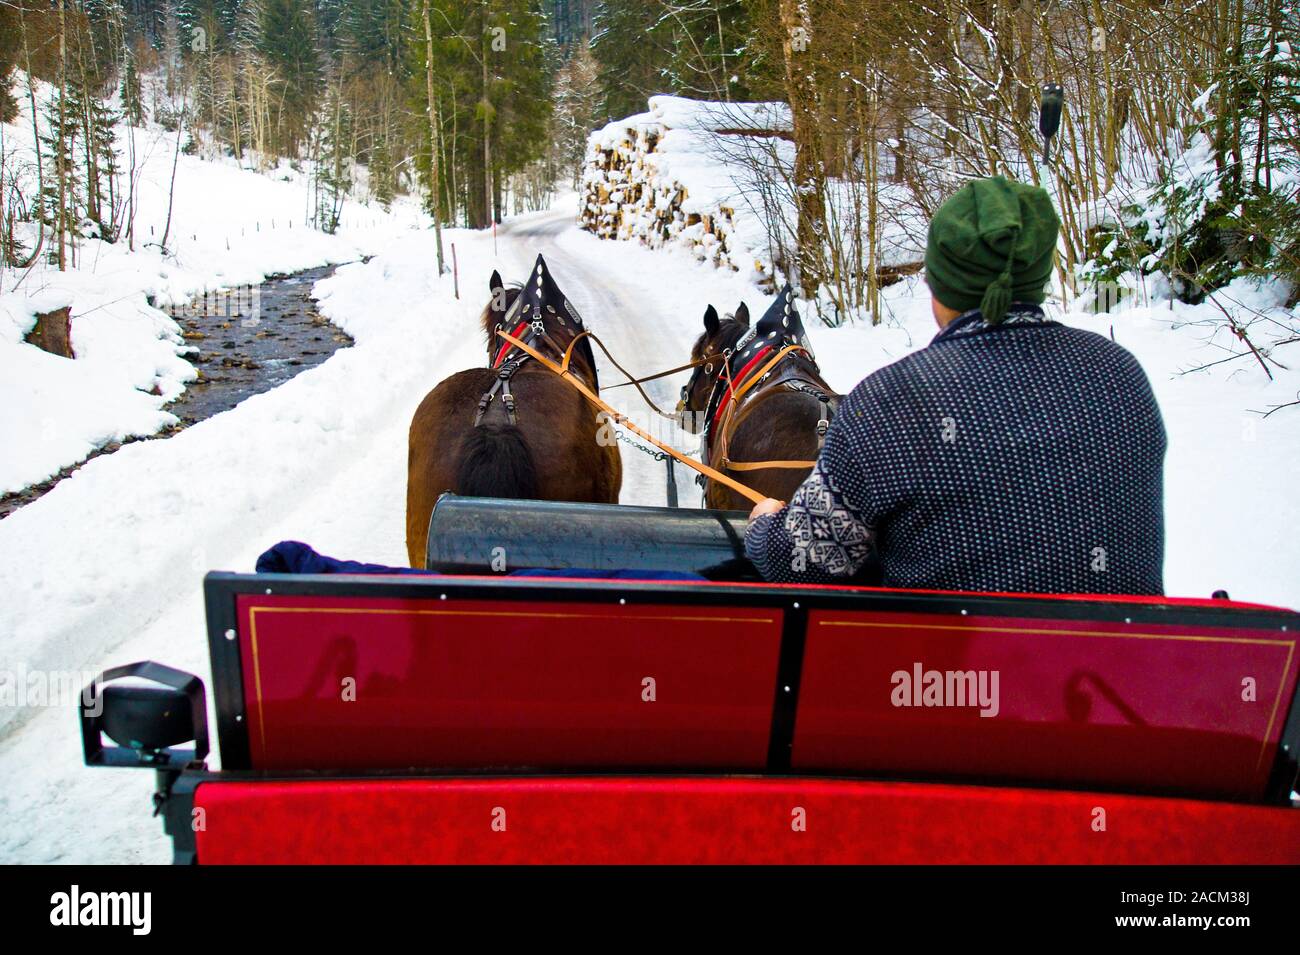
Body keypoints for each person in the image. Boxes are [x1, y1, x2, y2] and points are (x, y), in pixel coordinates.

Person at [744, 175, 1167, 594]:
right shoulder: (1120, 375)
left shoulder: (891, 400)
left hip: (953, 660)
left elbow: (802, 561)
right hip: (1116, 657)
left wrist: (765, 523)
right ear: (1039, 278)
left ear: (938, 286)